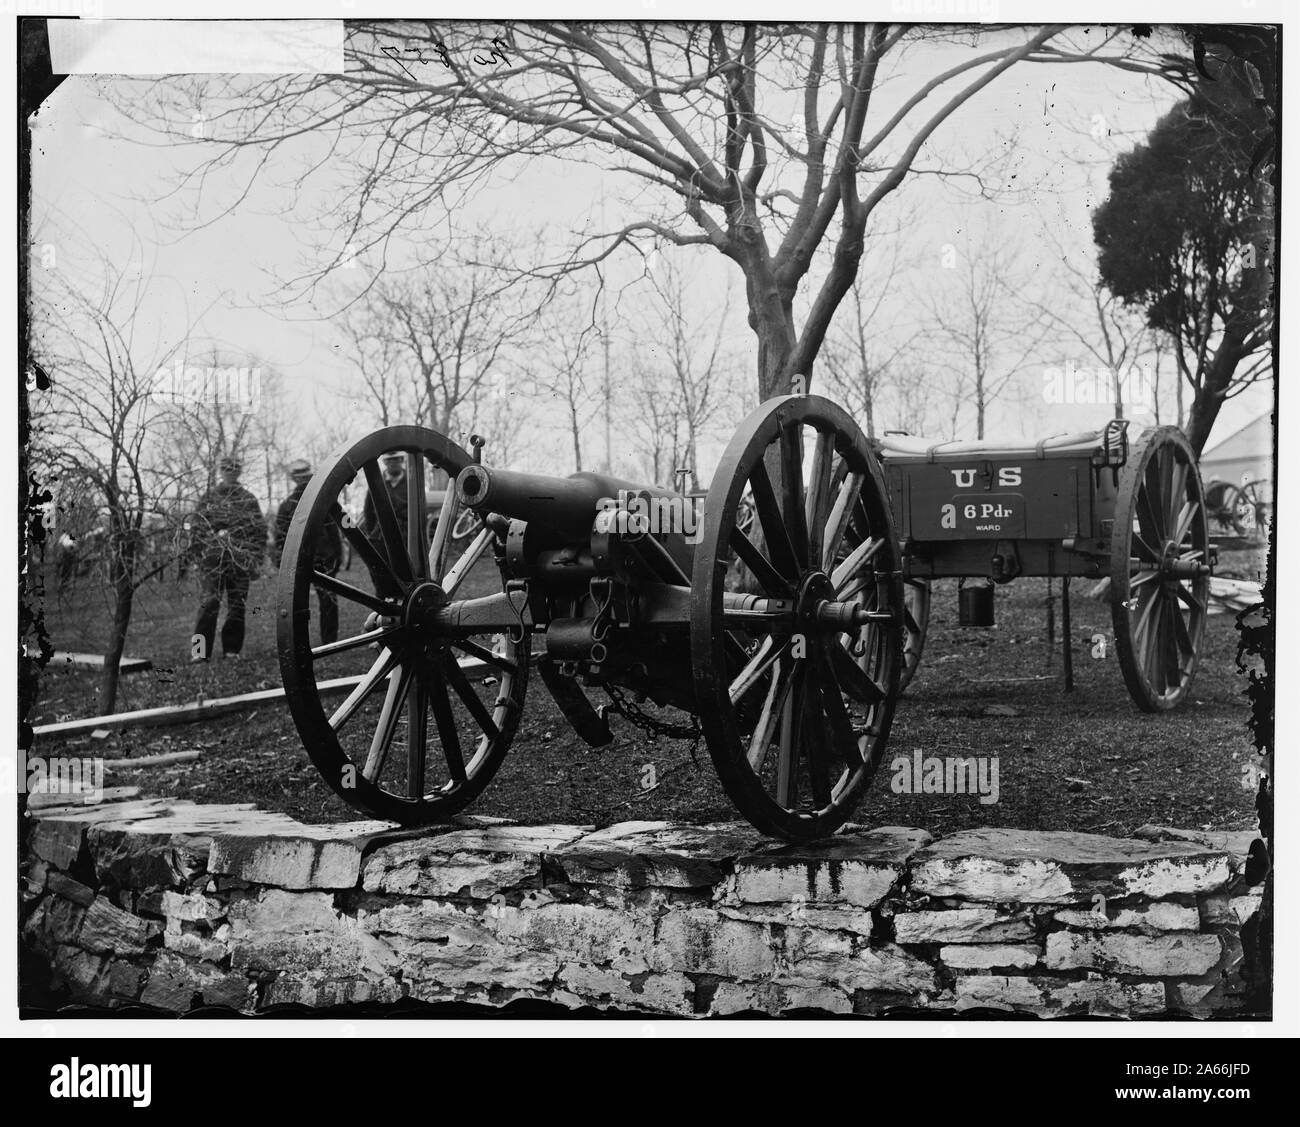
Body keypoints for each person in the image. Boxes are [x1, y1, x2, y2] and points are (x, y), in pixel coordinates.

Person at [190, 455, 265, 662]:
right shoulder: (209, 498)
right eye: (226, 470)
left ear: (239, 472)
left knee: (237, 607)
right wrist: (199, 557)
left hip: (239, 562)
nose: (230, 473)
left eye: (234, 470)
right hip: (212, 563)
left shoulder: (248, 500)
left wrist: (255, 560)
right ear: (221, 472)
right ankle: (199, 652)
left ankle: (232, 650)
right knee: (208, 606)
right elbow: (196, 529)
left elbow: (259, 532)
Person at [274, 459, 342, 645]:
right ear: (294, 479)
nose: (303, 480)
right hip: (298, 561)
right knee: (297, 604)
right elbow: (280, 536)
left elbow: (335, 530)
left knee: (327, 601)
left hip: (323, 559)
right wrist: (280, 560)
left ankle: (329, 640)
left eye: (305, 476)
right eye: (299, 477)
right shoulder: (287, 506)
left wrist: (337, 555)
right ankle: (300, 642)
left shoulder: (323, 500)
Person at [361, 452, 411, 600]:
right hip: (381, 535)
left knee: (406, 574)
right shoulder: (377, 483)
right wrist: (373, 532)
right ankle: (384, 604)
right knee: (382, 573)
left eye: (396, 460)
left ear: (402, 461)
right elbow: (368, 510)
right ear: (385, 463)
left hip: (406, 535)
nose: (393, 463)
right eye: (390, 461)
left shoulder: (411, 482)